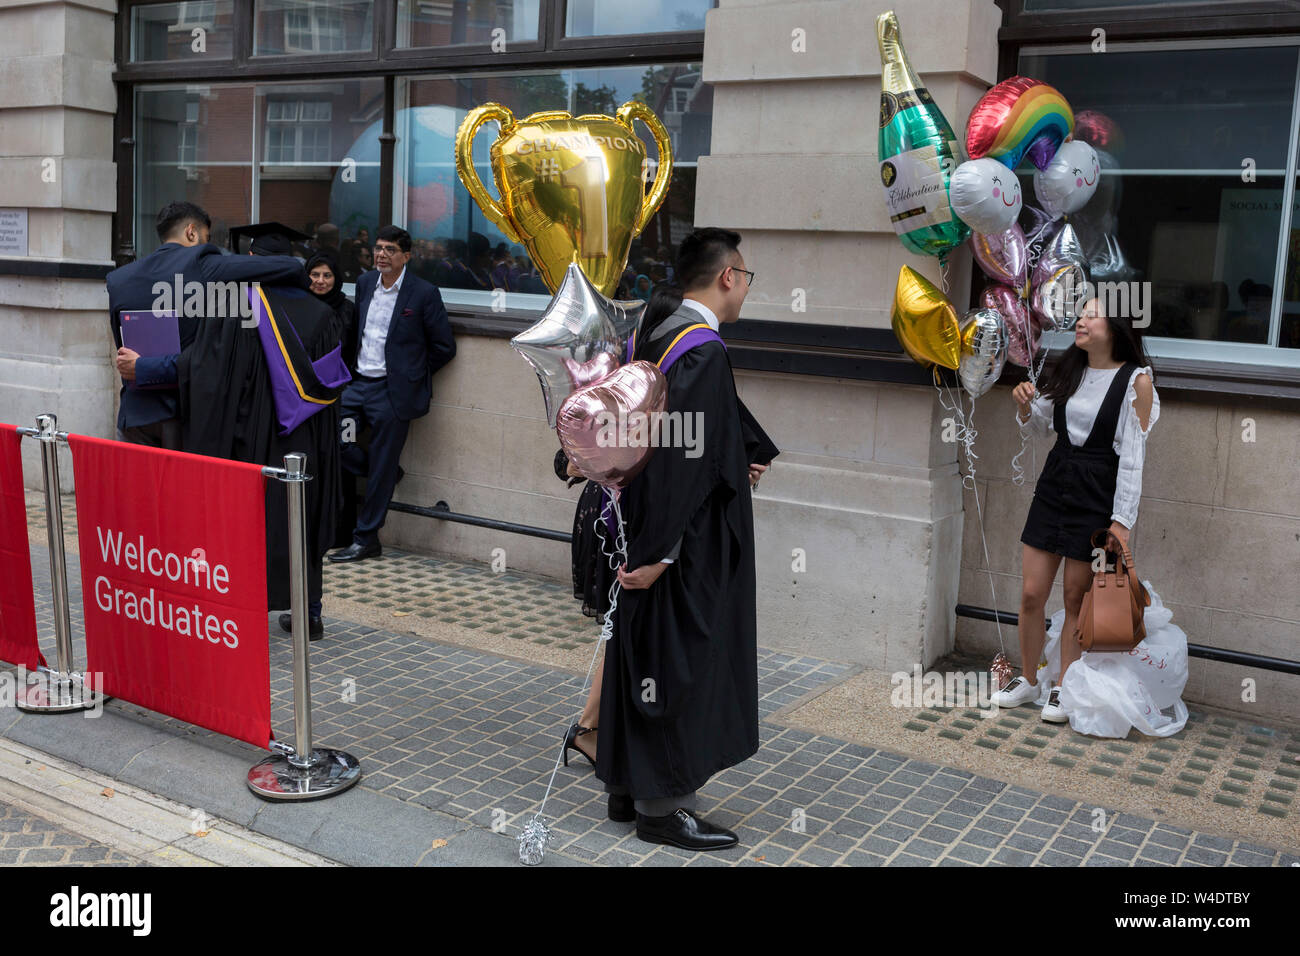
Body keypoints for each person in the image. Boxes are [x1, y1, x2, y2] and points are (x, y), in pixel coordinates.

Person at [595, 228, 775, 852]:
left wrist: (739, 452)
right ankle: (664, 810)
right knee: (677, 660)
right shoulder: (700, 350)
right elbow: (680, 460)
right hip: (684, 541)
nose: (747, 287)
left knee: (644, 653)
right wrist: (659, 554)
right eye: (747, 275)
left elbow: (694, 435)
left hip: (653, 524)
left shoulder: (662, 335)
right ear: (727, 276)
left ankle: (627, 785)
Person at [178, 222, 348, 640]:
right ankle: (309, 614)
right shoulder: (324, 314)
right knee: (300, 520)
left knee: (247, 524)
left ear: (251, 261)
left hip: (247, 439)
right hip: (303, 443)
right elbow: (329, 391)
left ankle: (242, 611)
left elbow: (205, 376)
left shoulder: (235, 309)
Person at [992, 296, 1158, 722]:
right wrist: (1025, 404)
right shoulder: (1068, 369)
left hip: (1098, 493)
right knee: (1032, 594)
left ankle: (1064, 687)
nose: (1081, 321)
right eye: (1081, 313)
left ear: (1116, 327)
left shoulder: (1137, 381)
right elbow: (1039, 426)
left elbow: (1135, 457)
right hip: (1056, 483)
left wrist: (1121, 522)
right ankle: (1030, 679)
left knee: (1073, 598)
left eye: (1092, 315)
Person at [106, 202, 307, 449]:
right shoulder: (201, 263)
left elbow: (125, 356)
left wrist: (142, 367)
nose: (208, 245)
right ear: (191, 232)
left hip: (134, 415)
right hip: (182, 415)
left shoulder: (119, 279)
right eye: (206, 238)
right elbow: (288, 267)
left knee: (136, 487)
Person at [328, 225, 456, 563]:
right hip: (357, 387)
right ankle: (385, 473)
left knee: (383, 461)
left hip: (391, 393)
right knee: (337, 440)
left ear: (406, 256)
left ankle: (366, 538)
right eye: (378, 248)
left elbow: (444, 346)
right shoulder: (366, 283)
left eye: (389, 250)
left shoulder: (423, 293)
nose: (381, 255)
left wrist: (410, 376)